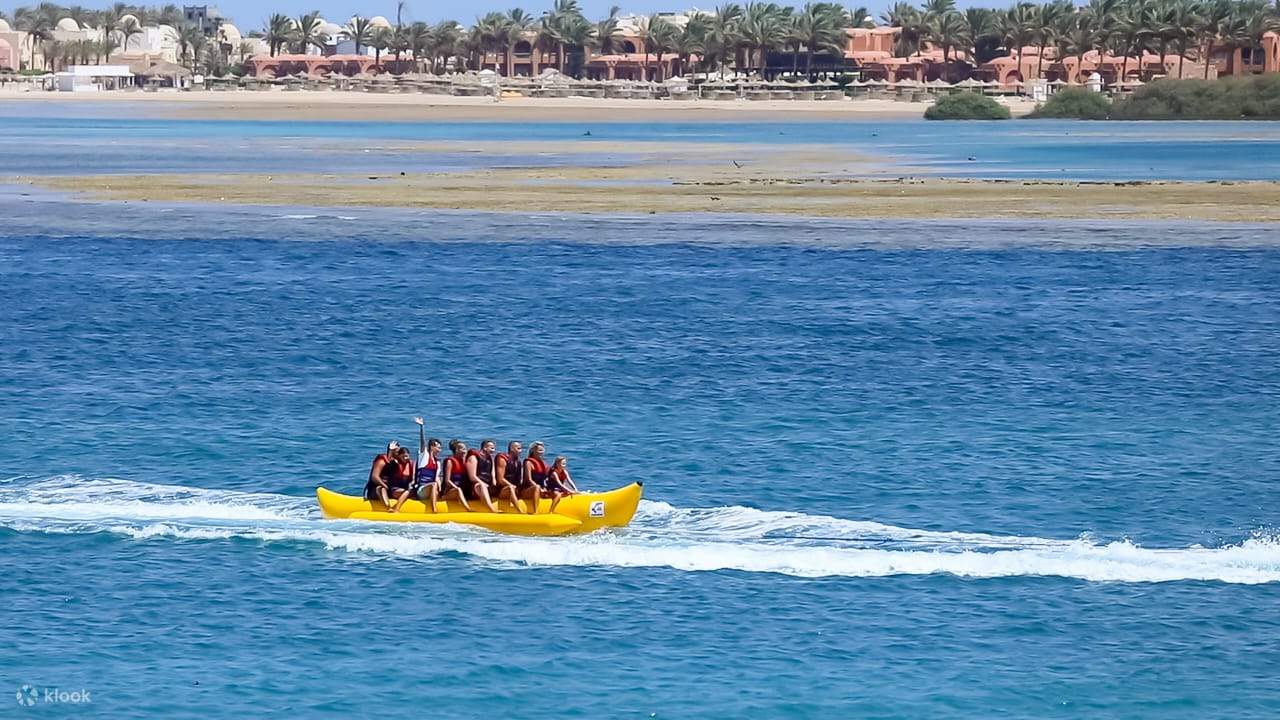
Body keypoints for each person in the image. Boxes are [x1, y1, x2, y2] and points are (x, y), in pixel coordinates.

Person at [396, 417, 470, 513]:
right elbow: (422, 442)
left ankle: (465, 509)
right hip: (421, 490)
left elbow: (436, 478)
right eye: (438, 447)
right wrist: (421, 427)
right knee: (434, 484)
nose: (440, 450)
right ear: (432, 447)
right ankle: (434, 510)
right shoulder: (424, 456)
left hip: (431, 490)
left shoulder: (438, 463)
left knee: (437, 484)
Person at [523, 441, 570, 513]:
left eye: (542, 450)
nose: (542, 452)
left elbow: (548, 478)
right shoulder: (528, 463)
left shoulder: (543, 463)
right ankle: (535, 511)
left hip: (541, 489)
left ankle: (551, 510)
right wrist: (539, 489)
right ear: (533, 451)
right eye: (540, 450)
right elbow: (528, 479)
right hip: (527, 489)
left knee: (560, 492)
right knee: (537, 487)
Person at [465, 439, 509, 513]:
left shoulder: (490, 458)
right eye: (491, 448)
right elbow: (472, 477)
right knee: (482, 486)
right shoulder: (473, 457)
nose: (493, 450)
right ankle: (491, 509)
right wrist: (482, 483)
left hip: (488, 485)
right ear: (485, 448)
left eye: (494, 448)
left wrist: (495, 484)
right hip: (476, 486)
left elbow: (493, 475)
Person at [495, 441, 539, 515]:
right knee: (510, 487)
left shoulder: (518, 462)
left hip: (517, 490)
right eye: (518, 448)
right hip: (503, 490)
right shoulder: (502, 459)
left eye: (521, 449)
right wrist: (511, 486)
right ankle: (519, 511)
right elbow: (500, 479)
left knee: (536, 487)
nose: (520, 451)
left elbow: (520, 479)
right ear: (512, 449)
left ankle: (536, 511)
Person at [365, 441, 405, 510]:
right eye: (397, 451)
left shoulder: (395, 463)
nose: (399, 453)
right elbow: (374, 477)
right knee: (381, 488)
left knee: (404, 491)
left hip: (389, 489)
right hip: (376, 490)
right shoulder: (381, 461)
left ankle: (398, 507)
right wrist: (384, 486)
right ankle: (388, 508)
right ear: (392, 450)